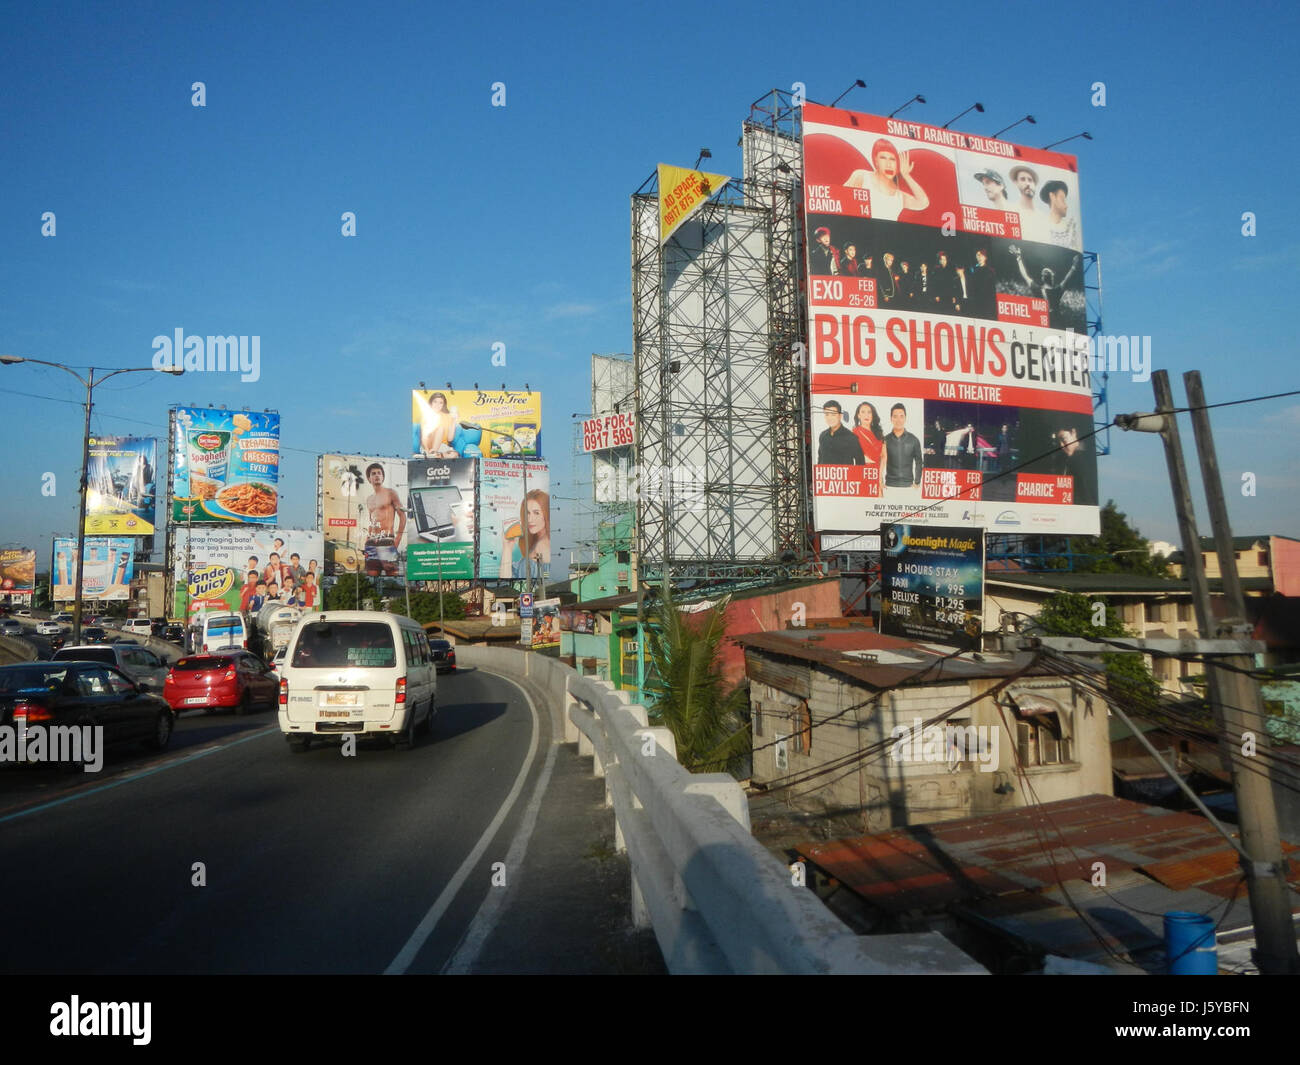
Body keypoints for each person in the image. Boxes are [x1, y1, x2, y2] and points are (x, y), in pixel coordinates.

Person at [844, 138, 930, 221]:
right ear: (876, 160)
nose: (888, 164)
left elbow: (923, 202)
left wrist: (906, 175)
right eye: (883, 158)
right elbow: (841, 200)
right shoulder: (862, 176)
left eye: (892, 159)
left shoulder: (899, 196)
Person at [1009, 245, 1081, 331]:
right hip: (1058, 322)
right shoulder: (1058, 290)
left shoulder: (1037, 289)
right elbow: (1067, 278)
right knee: (1069, 332)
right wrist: (1074, 266)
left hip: (1043, 323)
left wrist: (1019, 258)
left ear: (1042, 278)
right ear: (1052, 278)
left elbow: (1025, 275)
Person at [364, 462, 406, 577]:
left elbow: (402, 515)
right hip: (372, 542)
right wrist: (367, 539)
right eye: (373, 474)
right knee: (371, 579)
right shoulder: (369, 499)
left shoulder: (390, 493)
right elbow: (371, 521)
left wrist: (398, 538)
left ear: (383, 477)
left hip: (387, 540)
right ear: (369, 478)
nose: (377, 475)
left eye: (379, 473)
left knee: (393, 577)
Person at [504, 489, 551, 580]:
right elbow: (506, 581)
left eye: (536, 513)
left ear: (546, 514)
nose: (529, 519)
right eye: (527, 513)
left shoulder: (546, 546)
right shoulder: (530, 545)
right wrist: (507, 548)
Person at [883, 403, 923, 490]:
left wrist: (917, 482)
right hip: (889, 485)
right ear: (891, 418)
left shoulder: (914, 440)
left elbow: (919, 462)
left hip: (909, 486)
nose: (898, 420)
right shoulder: (885, 440)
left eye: (901, 416)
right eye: (895, 416)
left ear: (905, 418)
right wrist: (880, 481)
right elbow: (879, 461)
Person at [816, 400, 866, 465]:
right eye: (827, 414)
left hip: (845, 474)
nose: (830, 418)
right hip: (826, 474)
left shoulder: (851, 437)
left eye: (833, 414)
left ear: (840, 415)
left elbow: (860, 463)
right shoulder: (823, 436)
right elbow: (820, 460)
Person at [416, 391, 460, 457]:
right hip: (428, 446)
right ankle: (433, 453)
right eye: (435, 402)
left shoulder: (447, 416)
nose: (437, 405)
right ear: (431, 403)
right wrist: (427, 451)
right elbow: (424, 438)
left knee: (455, 454)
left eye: (440, 403)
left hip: (442, 446)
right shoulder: (426, 416)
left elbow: (450, 439)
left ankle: (437, 456)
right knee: (440, 428)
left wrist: (453, 421)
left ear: (443, 405)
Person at [1041, 180, 1082, 250]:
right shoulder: (1041, 226)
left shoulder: (1071, 227)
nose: (1066, 206)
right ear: (1052, 197)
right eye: (1062, 199)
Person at [1009, 165, 1046, 241]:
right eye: (1023, 179)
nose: (1028, 183)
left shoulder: (1043, 217)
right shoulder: (1011, 211)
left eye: (1030, 180)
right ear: (1016, 183)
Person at [967, 248, 997, 319]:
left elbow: (992, 288)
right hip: (976, 301)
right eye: (977, 255)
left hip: (987, 302)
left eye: (981, 255)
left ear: (985, 257)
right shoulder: (973, 270)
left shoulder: (991, 271)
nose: (979, 257)